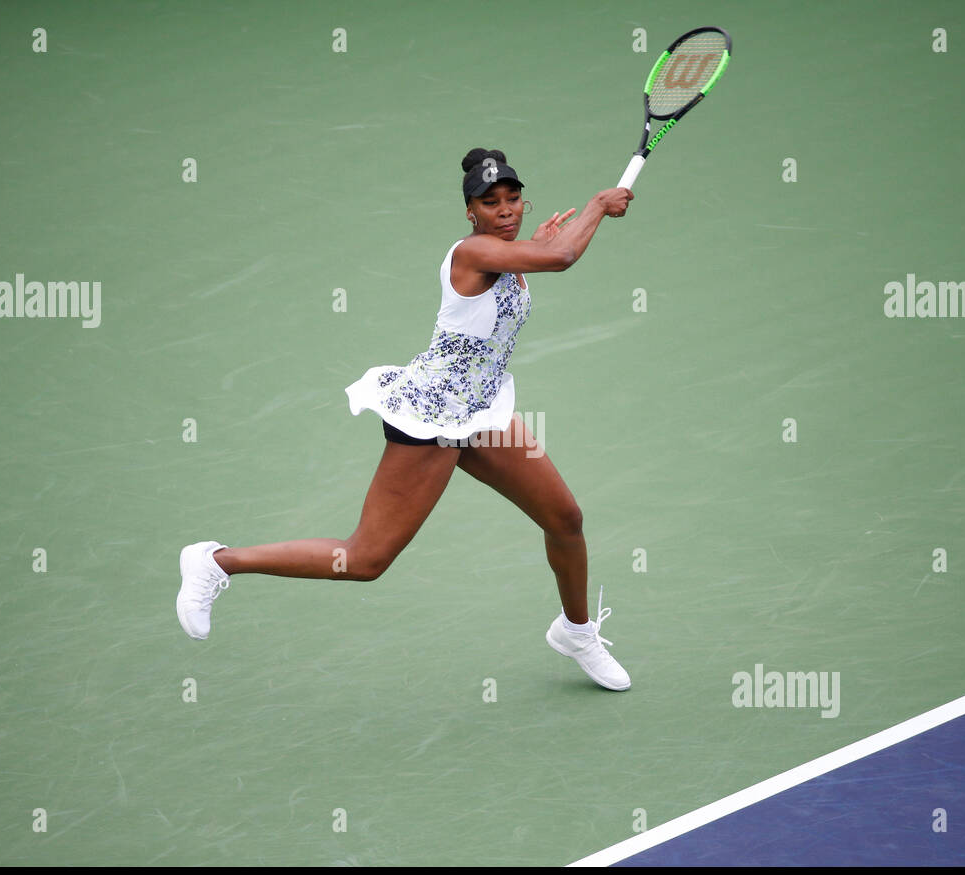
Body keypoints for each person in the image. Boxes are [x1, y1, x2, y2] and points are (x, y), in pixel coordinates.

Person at [176, 148, 635, 690]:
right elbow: (562, 259)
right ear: (471, 212)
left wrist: (544, 238)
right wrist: (597, 207)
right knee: (366, 558)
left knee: (565, 519)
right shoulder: (473, 251)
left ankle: (575, 631)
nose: (506, 210)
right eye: (492, 203)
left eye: (513, 199)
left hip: (481, 412)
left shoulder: (508, 252)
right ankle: (218, 561)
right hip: (433, 418)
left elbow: (544, 256)